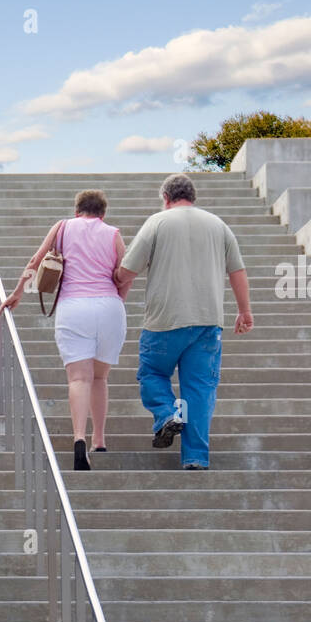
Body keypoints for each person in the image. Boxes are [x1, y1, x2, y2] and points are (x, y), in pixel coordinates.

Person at [115, 173, 253, 470]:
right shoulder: (219, 225)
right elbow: (237, 271)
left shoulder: (157, 222)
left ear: (166, 198)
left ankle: (166, 413)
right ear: (193, 197)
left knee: (152, 373)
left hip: (164, 320)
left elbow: (127, 270)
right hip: (208, 322)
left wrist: (113, 280)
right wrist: (244, 311)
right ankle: (195, 458)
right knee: (200, 390)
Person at [0, 190, 129, 471]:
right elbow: (125, 272)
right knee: (99, 378)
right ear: (103, 214)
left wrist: (17, 293)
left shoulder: (62, 227)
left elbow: (36, 261)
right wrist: (119, 300)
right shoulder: (114, 234)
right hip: (109, 308)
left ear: (77, 211)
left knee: (79, 379)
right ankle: (100, 439)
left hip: (73, 308)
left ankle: (79, 439)